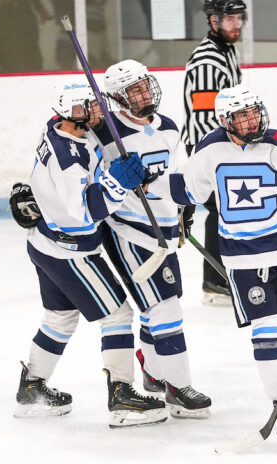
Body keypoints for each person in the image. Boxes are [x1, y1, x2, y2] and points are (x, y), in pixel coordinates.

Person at [149, 84, 277, 439]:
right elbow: (190, 190)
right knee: (268, 333)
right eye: (241, 116)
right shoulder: (211, 149)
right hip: (244, 259)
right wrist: (149, 182)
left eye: (253, 112)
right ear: (224, 120)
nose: (251, 120)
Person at [12, 77, 168, 428]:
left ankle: (32, 390)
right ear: (72, 113)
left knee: (60, 317)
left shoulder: (60, 127)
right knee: (117, 315)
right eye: (89, 107)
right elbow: (85, 211)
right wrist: (117, 184)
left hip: (44, 242)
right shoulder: (69, 156)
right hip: (71, 249)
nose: (96, 111)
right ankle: (123, 396)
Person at [97, 59, 211, 419]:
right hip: (130, 230)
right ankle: (177, 386)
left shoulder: (169, 127)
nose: (145, 94)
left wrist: (184, 209)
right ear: (117, 97)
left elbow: (174, 174)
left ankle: (153, 373)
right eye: (135, 90)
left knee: (161, 303)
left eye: (146, 86)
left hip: (164, 228)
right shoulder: (104, 132)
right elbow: (91, 181)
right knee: (166, 308)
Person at [180, 0, 246, 306]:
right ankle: (216, 281)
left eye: (238, 18)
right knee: (222, 209)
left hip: (221, 146)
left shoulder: (227, 51)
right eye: (229, 18)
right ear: (212, 20)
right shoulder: (208, 60)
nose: (236, 24)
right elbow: (206, 118)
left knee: (226, 208)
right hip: (207, 150)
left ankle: (221, 277)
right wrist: (232, 148)